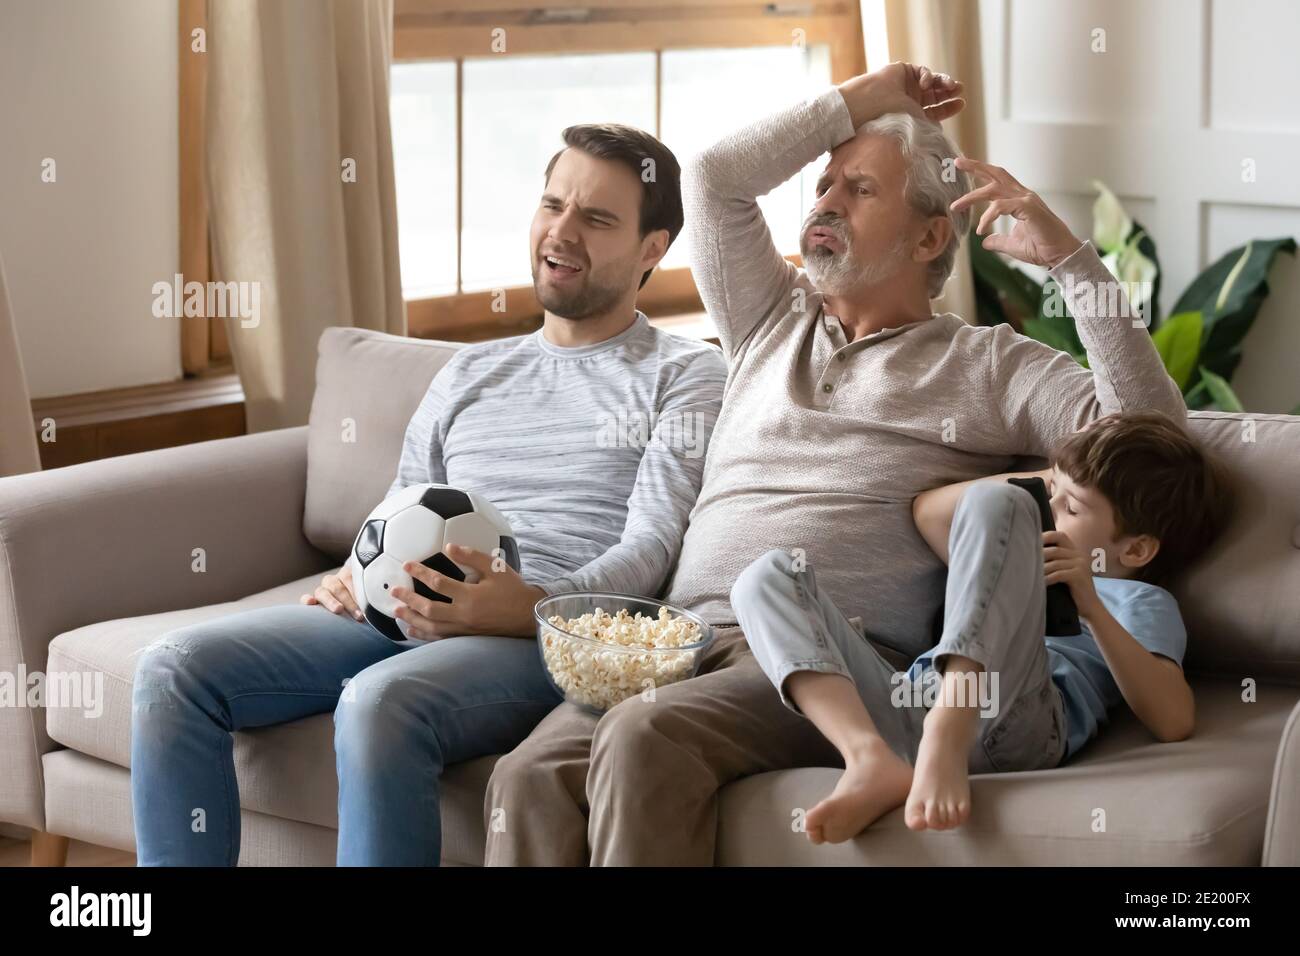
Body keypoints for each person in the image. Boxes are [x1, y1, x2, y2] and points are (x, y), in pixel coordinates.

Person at [484, 61, 1189, 866]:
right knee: (528, 776)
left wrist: (1070, 263)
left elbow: (1153, 441)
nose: (823, 202)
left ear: (930, 236)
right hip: (672, 638)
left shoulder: (988, 364)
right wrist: (863, 97)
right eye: (823, 184)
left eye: (859, 190)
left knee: (647, 736)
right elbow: (717, 177)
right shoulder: (767, 316)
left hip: (827, 654)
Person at [129, 122, 726, 866]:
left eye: (597, 219)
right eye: (552, 205)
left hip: (543, 636)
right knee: (175, 666)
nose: (562, 232)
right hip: (401, 609)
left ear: (652, 249)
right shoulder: (472, 372)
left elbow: (653, 543)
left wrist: (534, 603)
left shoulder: (685, 373)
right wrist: (354, 573)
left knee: (379, 703)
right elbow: (399, 506)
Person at [734, 411, 1232, 843]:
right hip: (912, 705)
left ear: (1137, 549)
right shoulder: (999, 557)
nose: (1049, 515)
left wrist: (1090, 606)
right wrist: (1049, 486)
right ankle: (867, 756)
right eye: (1049, 495)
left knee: (1003, 503)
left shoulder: (1142, 599)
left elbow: (1174, 719)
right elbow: (928, 512)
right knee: (764, 577)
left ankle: (948, 733)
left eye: (1071, 508)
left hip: (1012, 723)